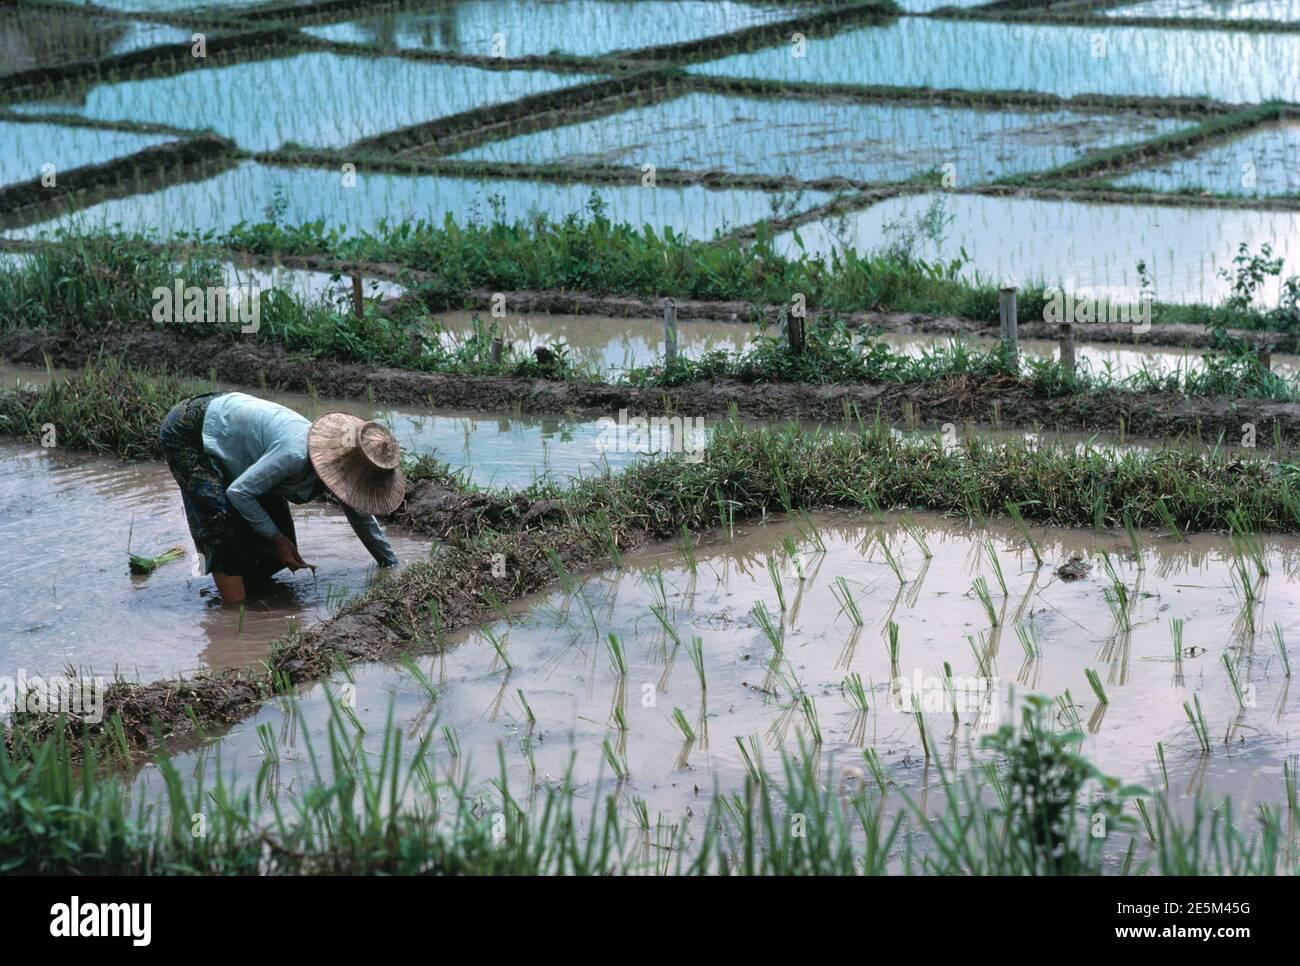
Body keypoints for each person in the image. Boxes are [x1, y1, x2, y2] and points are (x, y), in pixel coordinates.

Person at [159, 390, 404, 603]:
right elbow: (239, 493)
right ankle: (235, 617)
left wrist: (390, 565)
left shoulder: (344, 465)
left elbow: (361, 516)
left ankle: (254, 592)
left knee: (275, 553)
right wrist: (277, 538)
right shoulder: (295, 455)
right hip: (190, 431)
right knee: (218, 524)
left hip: (239, 436)